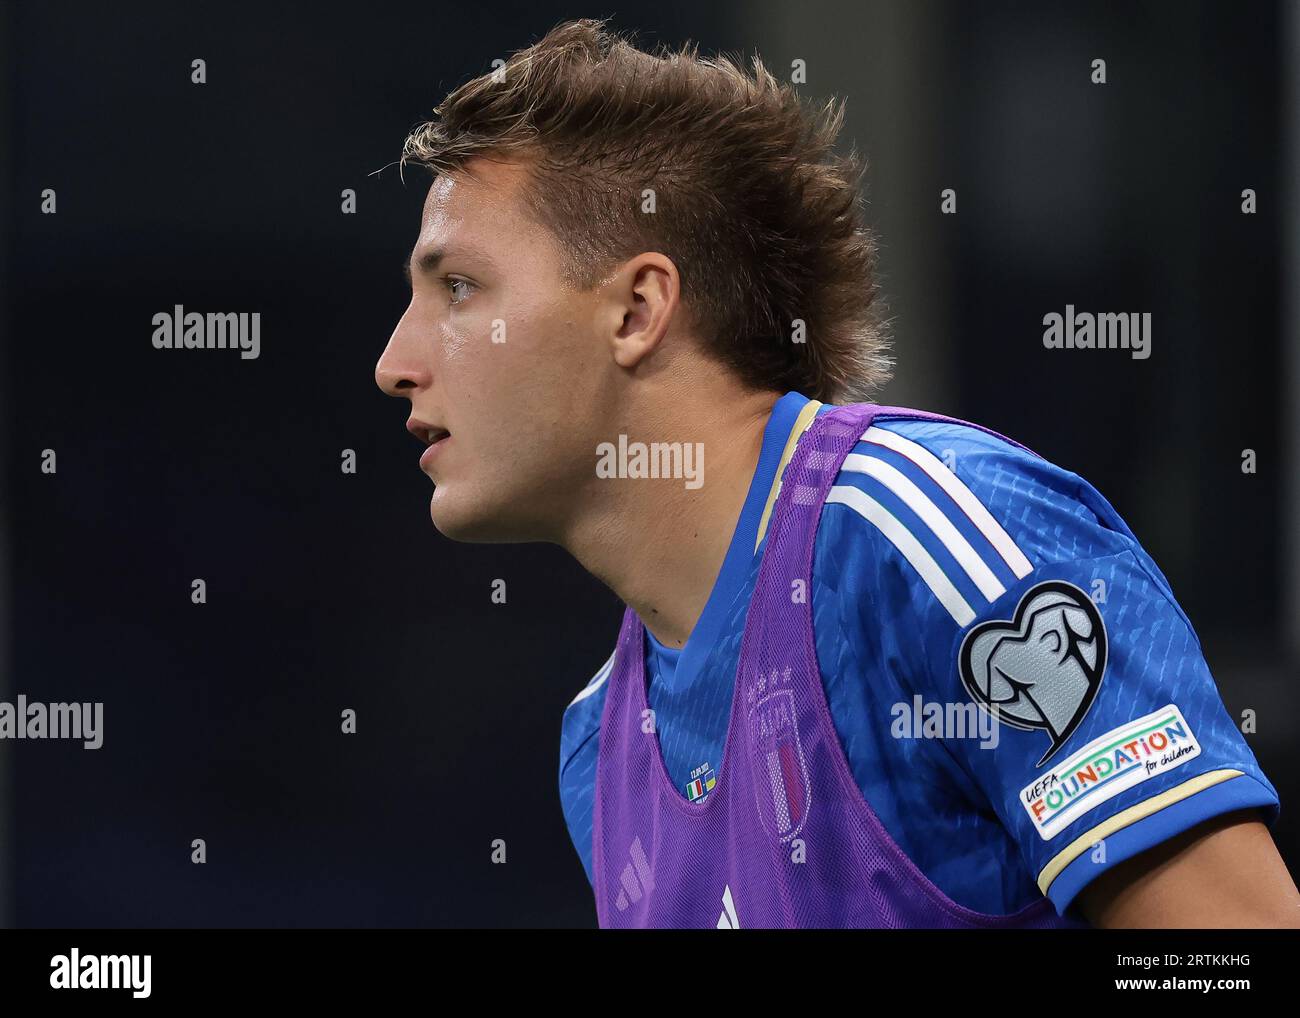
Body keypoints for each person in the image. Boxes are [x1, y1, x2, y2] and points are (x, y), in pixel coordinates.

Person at [374, 18, 1299, 927]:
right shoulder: (601, 749)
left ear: (637, 309)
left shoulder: (928, 536)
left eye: (458, 287)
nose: (394, 361)